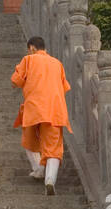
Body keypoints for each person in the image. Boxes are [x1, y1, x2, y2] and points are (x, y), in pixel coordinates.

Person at [11, 36, 71, 195]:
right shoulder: (57, 63)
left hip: (34, 109)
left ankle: (38, 169)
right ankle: (50, 179)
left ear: (31, 48)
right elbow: (64, 87)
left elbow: (15, 81)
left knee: (29, 142)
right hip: (55, 110)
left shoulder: (28, 60)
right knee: (53, 148)